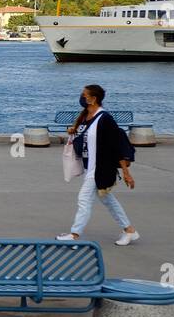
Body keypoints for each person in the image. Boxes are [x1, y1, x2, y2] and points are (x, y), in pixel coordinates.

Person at [58, 84, 138, 245]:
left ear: (93, 99)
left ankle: (74, 235)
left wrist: (126, 173)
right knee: (108, 199)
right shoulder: (86, 116)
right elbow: (86, 135)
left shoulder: (105, 118)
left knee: (83, 199)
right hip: (89, 167)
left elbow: (117, 146)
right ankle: (130, 231)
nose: (82, 97)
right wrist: (73, 130)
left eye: (84, 95)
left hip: (100, 168)